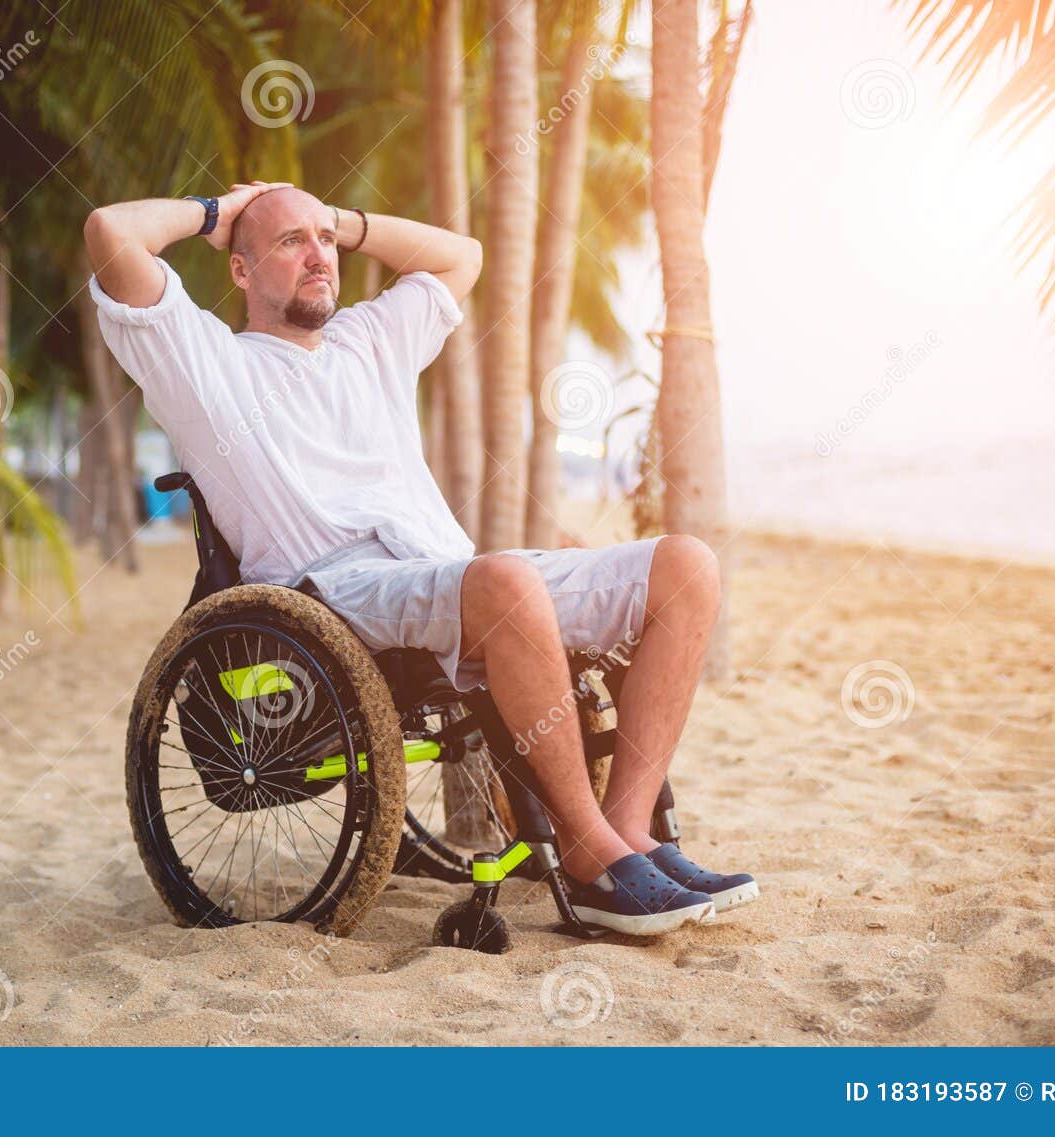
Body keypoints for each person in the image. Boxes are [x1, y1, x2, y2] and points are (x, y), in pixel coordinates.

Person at [84, 182, 756, 935]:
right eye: (289, 242)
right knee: (506, 581)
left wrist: (340, 220)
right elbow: (111, 230)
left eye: (325, 241)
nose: (319, 256)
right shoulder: (203, 360)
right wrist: (219, 215)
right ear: (240, 271)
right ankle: (587, 852)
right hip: (331, 591)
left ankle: (632, 834)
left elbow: (460, 257)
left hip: (444, 568)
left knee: (686, 565)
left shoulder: (369, 340)